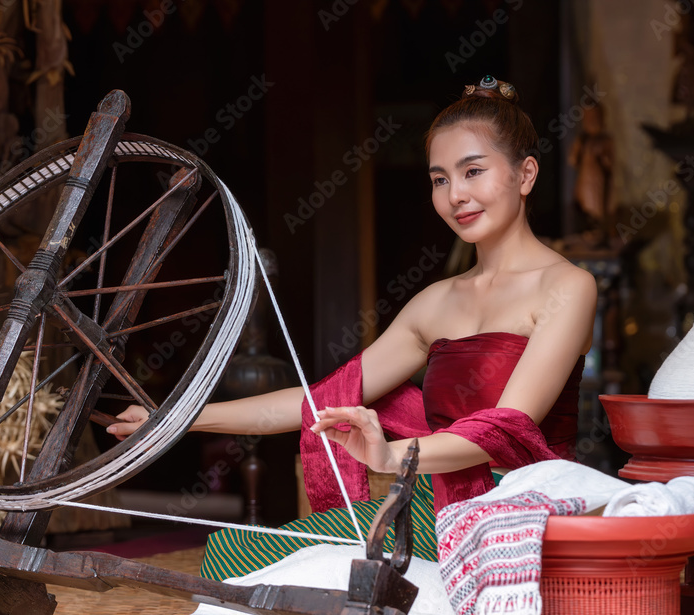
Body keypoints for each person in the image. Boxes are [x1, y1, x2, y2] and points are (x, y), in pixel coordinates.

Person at [108, 75, 597, 581]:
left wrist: (390, 455)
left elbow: (503, 430)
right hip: (429, 497)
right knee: (229, 553)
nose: (456, 196)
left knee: (252, 568)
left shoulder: (567, 286)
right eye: (440, 179)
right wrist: (171, 418)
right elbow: (318, 404)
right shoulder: (435, 302)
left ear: (526, 174)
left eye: (473, 171)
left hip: (513, 505)